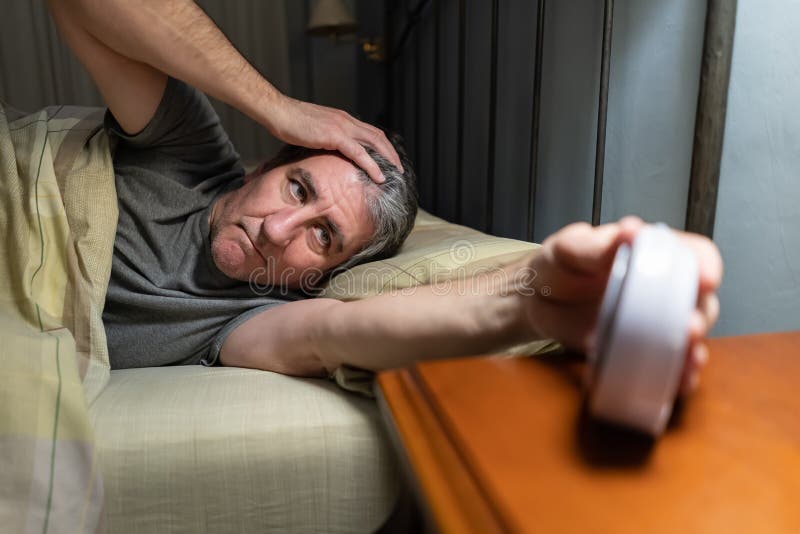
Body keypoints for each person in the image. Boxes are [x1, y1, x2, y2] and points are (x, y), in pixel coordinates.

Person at [49, 0, 722, 394]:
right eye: (297, 186)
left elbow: (338, 333)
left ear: (326, 274)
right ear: (264, 166)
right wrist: (275, 105)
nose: (279, 230)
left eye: (322, 236)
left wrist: (536, 293)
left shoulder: (245, 318)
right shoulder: (189, 152)